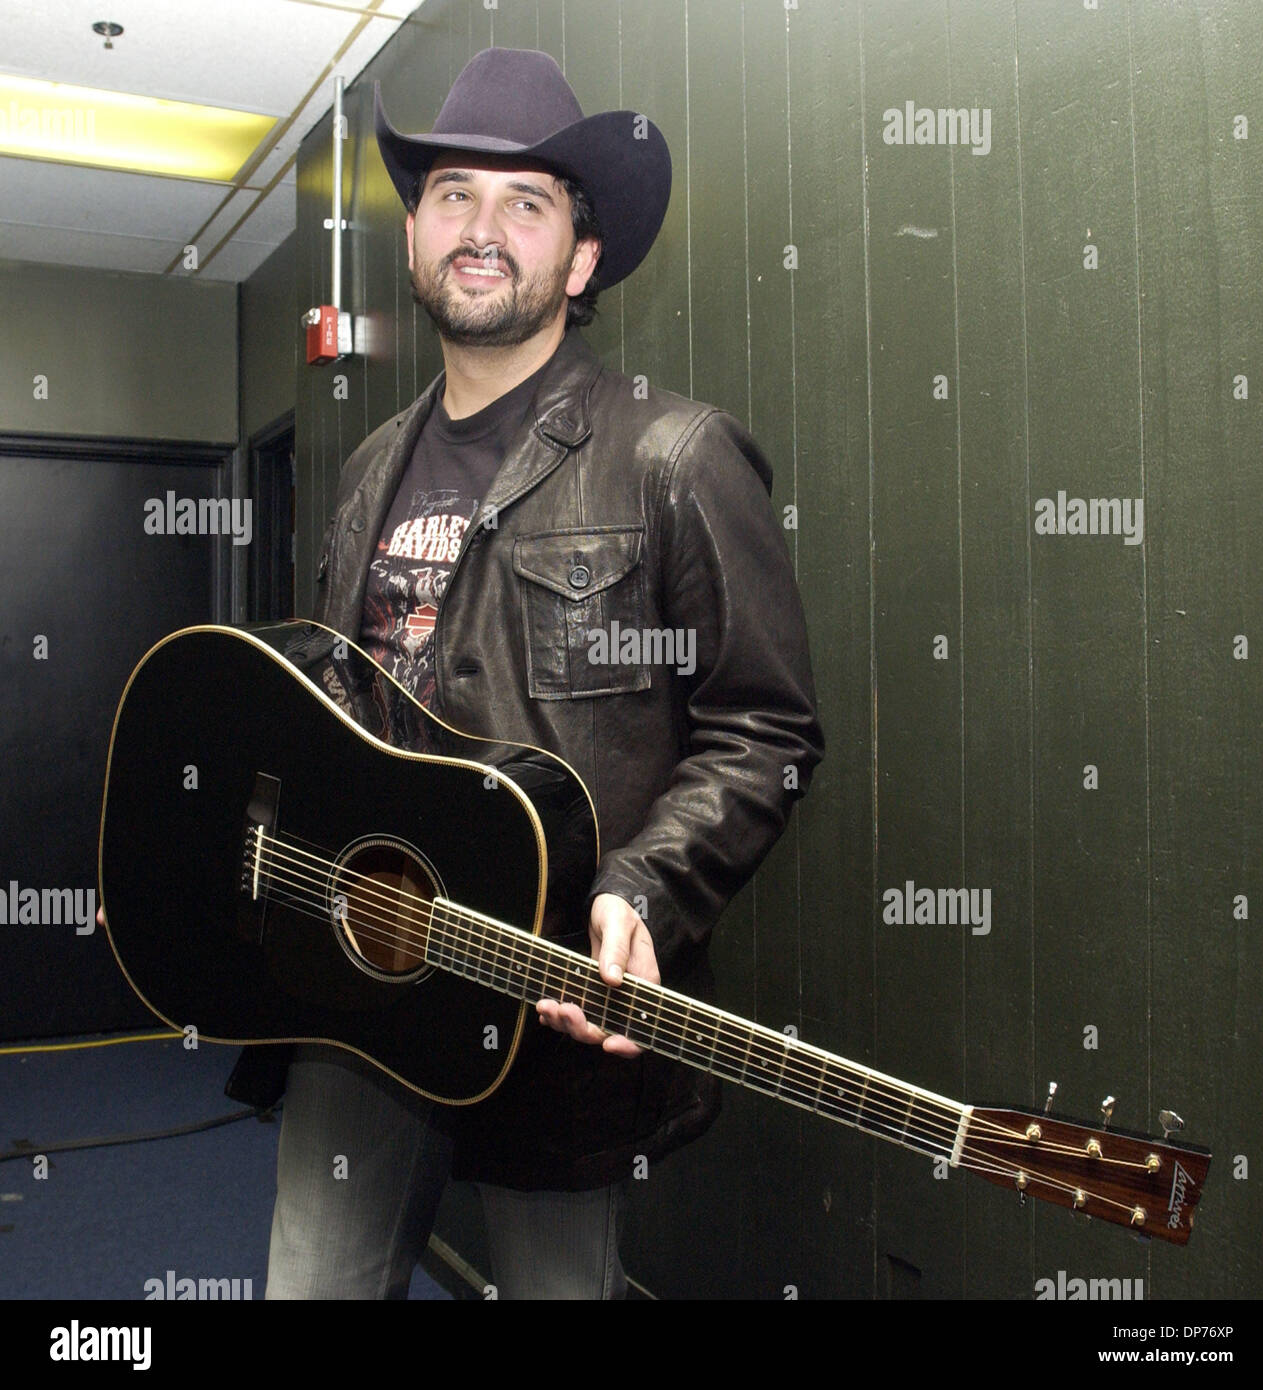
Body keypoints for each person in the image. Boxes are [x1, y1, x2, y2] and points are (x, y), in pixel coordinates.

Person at [224, 46, 825, 1299]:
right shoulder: (367, 468)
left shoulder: (674, 457)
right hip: (359, 980)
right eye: (452, 194)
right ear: (411, 241)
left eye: (526, 203)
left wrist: (648, 894)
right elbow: (330, 711)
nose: (481, 228)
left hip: (549, 1012)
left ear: (581, 259)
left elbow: (762, 727)